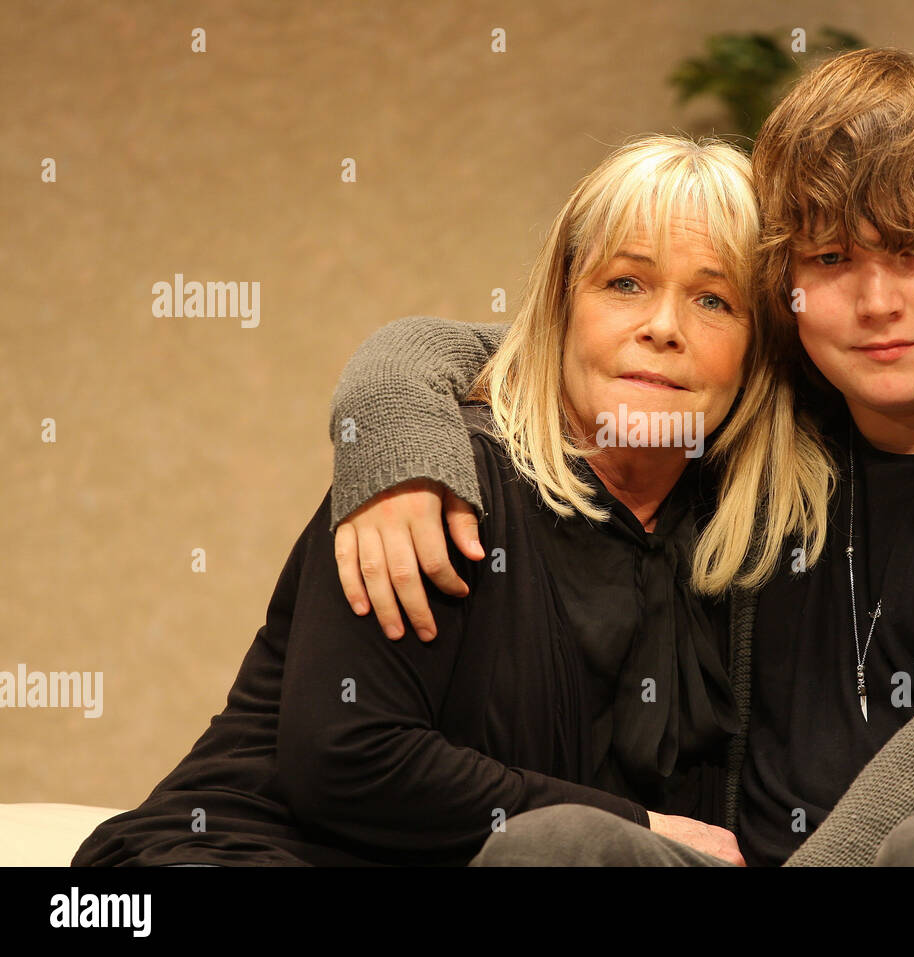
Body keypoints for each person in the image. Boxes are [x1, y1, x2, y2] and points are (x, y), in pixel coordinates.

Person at [327, 48, 914, 867]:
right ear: (788, 285)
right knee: (556, 844)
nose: (875, 301)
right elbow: (528, 348)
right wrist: (397, 447)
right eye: (834, 257)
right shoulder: (785, 430)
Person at [72, 134, 833, 867]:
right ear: (564, 306)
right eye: (625, 283)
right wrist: (631, 827)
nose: (663, 327)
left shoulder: (743, 544)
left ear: (757, 348)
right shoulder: (439, 472)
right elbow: (348, 756)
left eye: (713, 300)